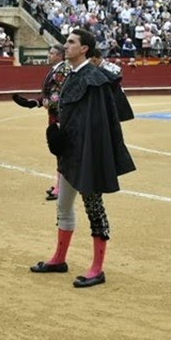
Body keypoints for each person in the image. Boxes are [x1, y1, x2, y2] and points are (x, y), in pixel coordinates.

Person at [30, 28, 135, 288]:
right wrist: (57, 128)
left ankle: (97, 268)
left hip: (88, 154)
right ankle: (59, 258)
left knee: (94, 208)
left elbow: (98, 123)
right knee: (63, 206)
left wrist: (88, 151)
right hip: (69, 152)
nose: (66, 46)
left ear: (84, 48)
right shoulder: (70, 74)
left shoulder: (94, 78)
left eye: (71, 42)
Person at [12, 44, 68, 200]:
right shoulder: (56, 69)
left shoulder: (61, 70)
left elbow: (57, 95)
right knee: (59, 151)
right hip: (55, 115)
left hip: (60, 117)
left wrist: (47, 103)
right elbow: (50, 94)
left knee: (61, 151)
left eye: (51, 53)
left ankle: (61, 187)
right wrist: (33, 103)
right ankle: (59, 184)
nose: (48, 55)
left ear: (59, 55)